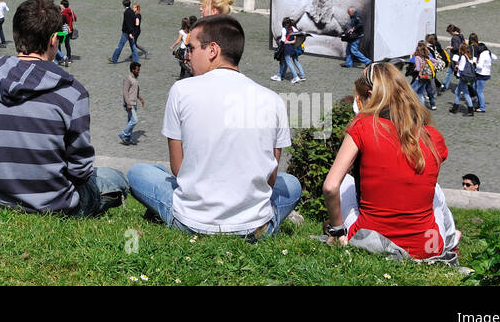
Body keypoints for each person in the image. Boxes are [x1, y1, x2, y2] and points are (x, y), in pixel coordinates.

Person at [127, 15, 302, 237]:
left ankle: (176, 215)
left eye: (190, 49)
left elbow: (179, 169)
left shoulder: (181, 90)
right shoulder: (274, 100)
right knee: (291, 185)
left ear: (212, 50)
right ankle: (264, 223)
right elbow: (271, 179)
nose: (187, 57)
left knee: (138, 173)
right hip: (252, 224)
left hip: (192, 220)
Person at [0, 0, 128, 215]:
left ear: (15, 34)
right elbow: (81, 171)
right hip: (54, 205)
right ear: (53, 40)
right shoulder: (72, 93)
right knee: (115, 178)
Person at [322, 63, 458, 261]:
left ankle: (340, 234)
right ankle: (451, 240)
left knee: (344, 182)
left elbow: (330, 186)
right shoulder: (431, 136)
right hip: (426, 247)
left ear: (370, 94)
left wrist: (337, 230)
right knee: (435, 190)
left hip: (371, 240)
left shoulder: (362, 125)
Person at [272, 17, 306, 84]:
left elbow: (283, 40)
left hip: (286, 48)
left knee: (287, 62)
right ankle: (280, 75)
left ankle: (295, 77)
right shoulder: (293, 28)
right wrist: (293, 41)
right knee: (289, 62)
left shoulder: (284, 29)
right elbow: (299, 33)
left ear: (283, 23)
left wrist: (286, 41)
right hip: (292, 48)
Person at [120, 61, 144, 145]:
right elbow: (125, 92)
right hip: (129, 103)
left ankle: (128, 138)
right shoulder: (128, 78)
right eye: (137, 70)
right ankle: (123, 134)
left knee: (130, 121)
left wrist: (140, 98)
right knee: (134, 120)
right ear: (133, 70)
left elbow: (135, 91)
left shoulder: (135, 78)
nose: (139, 71)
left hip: (134, 103)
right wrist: (128, 103)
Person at [110, 0, 139, 65]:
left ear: (123, 5)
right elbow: (133, 22)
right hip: (131, 32)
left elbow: (128, 24)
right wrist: (132, 32)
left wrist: (130, 33)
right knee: (133, 47)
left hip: (126, 33)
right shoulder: (132, 11)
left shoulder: (126, 12)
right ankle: (136, 61)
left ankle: (114, 59)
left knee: (120, 46)